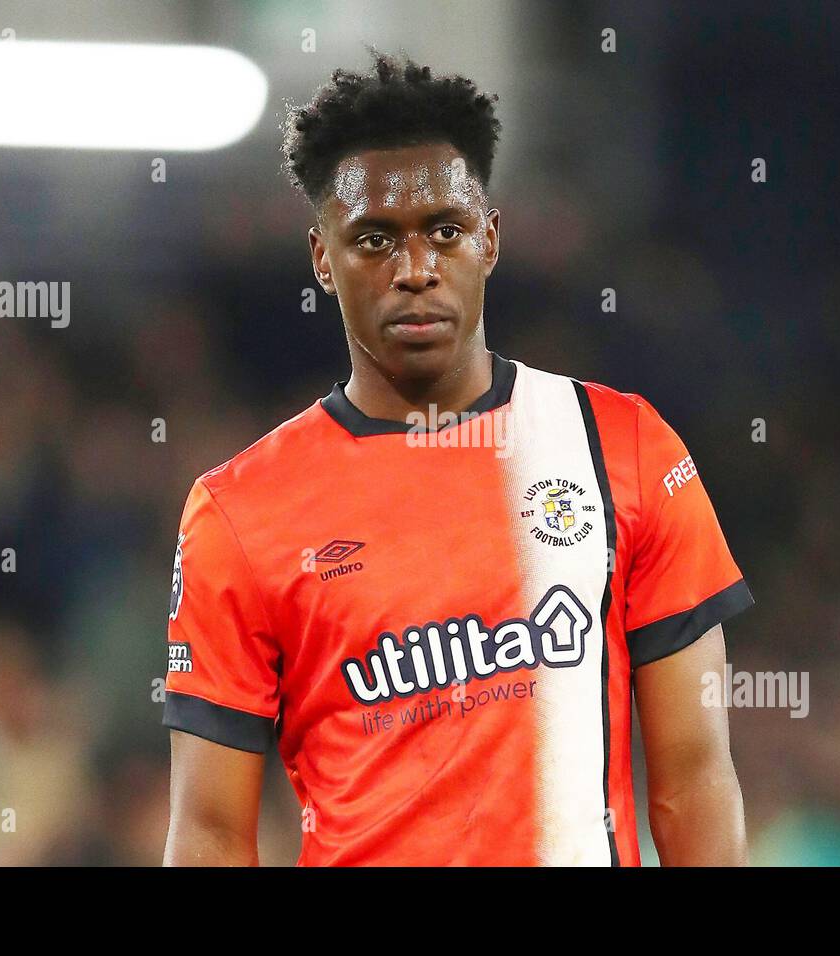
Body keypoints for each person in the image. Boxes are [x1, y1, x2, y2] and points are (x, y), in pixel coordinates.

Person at [162, 50, 754, 866]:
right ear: (321, 259)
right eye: (374, 239)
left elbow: (694, 777)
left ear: (492, 239)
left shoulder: (626, 447)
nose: (414, 270)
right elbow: (209, 831)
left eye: (445, 231)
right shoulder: (238, 511)